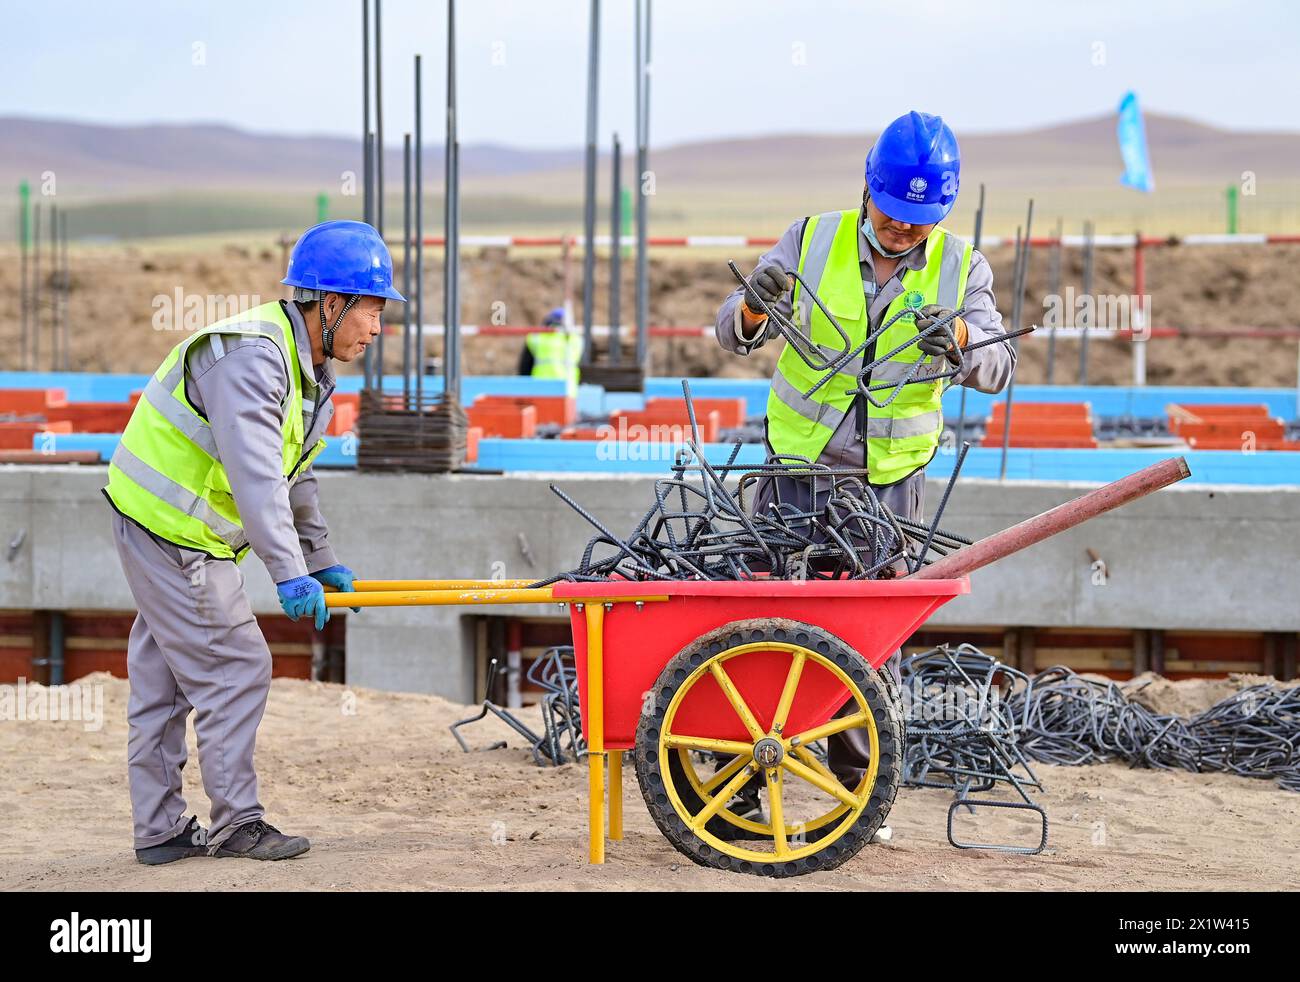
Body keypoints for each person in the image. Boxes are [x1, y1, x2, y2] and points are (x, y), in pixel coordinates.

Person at [714, 111, 1016, 794]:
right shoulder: (810, 238)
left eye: (920, 218)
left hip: (885, 488)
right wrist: (754, 308)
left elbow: (1000, 371)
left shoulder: (963, 267)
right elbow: (731, 334)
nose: (903, 228)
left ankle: (859, 790)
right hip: (795, 472)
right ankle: (744, 776)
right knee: (767, 617)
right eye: (892, 212)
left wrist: (963, 339)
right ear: (868, 189)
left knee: (867, 641)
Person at [103, 220, 403, 863]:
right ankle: (237, 822)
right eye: (371, 311)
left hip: (165, 524)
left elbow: (296, 474)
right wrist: (287, 572)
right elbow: (256, 475)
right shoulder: (253, 359)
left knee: (165, 683)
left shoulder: (306, 369)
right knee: (239, 667)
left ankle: (159, 833)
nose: (376, 328)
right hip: (172, 530)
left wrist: (320, 563)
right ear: (330, 304)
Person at [518, 306, 583, 396]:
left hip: (540, 390)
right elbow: (581, 367)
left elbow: (524, 368)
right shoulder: (575, 339)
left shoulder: (536, 338)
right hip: (568, 391)